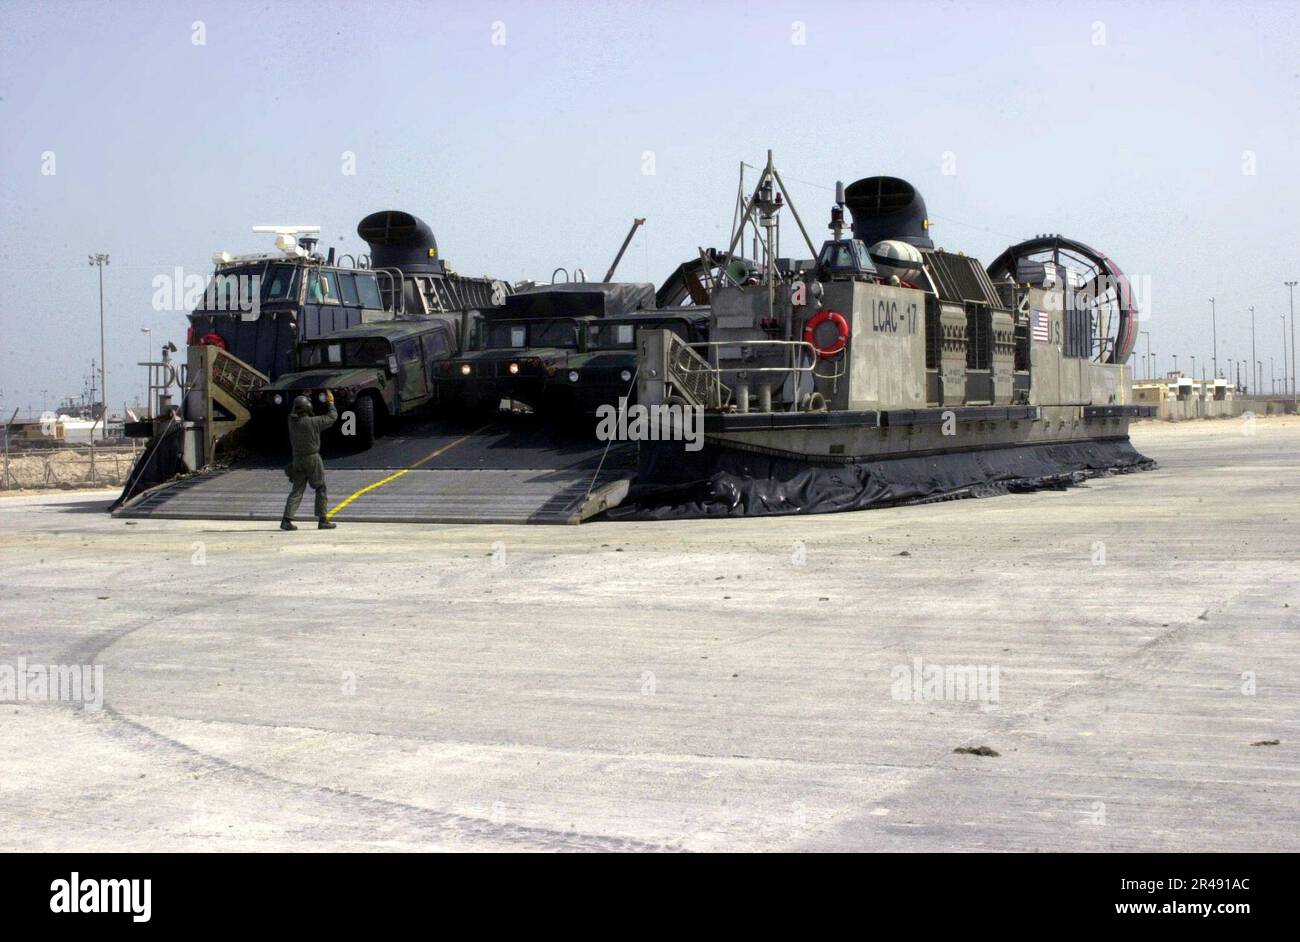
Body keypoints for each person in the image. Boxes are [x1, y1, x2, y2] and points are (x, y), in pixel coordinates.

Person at [282, 391, 338, 531]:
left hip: (297, 460)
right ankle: (322, 519)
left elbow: (294, 411)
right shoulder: (314, 422)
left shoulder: (291, 422)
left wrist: (302, 397)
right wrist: (330, 403)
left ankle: (286, 520)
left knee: (297, 490)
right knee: (320, 488)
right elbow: (332, 417)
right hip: (312, 459)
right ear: (308, 408)